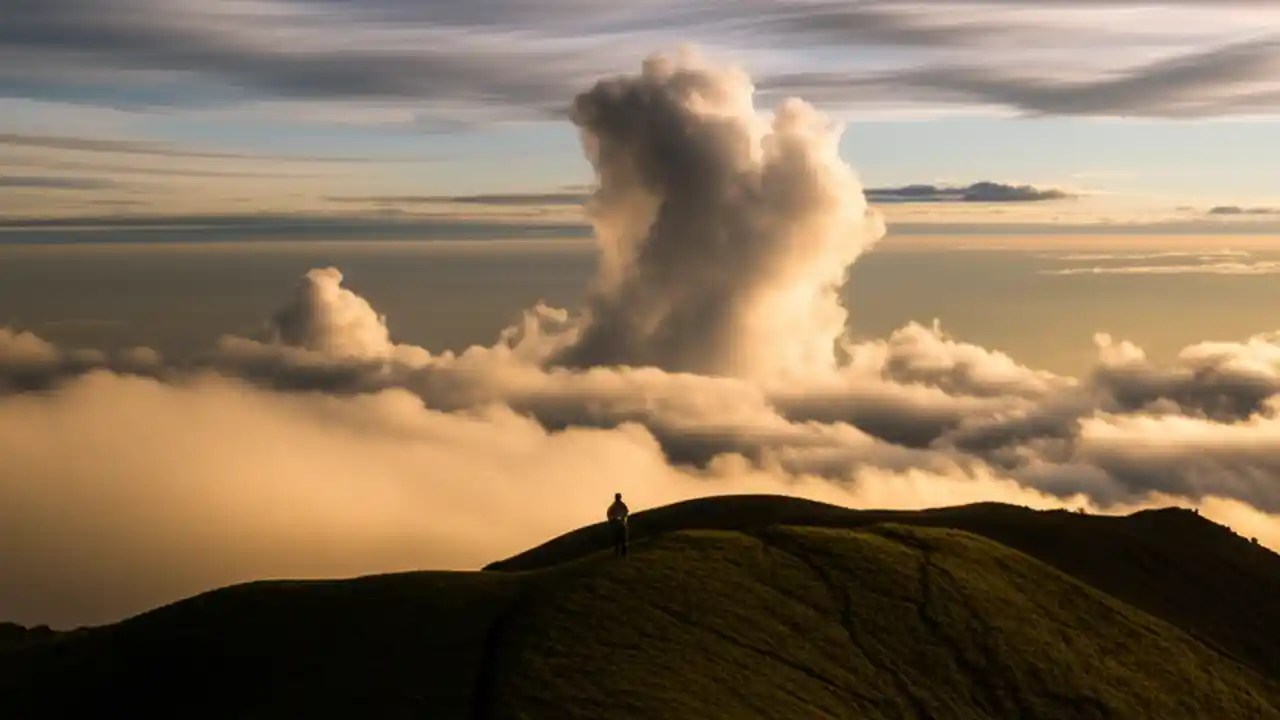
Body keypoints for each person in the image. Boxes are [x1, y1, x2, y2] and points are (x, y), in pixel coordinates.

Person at [607, 492, 629, 558]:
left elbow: (626, 513)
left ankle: (622, 554)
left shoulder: (620, 505)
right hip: (617, 524)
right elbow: (609, 515)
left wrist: (623, 518)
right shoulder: (614, 506)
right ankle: (619, 554)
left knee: (622, 540)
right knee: (618, 540)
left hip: (621, 524)